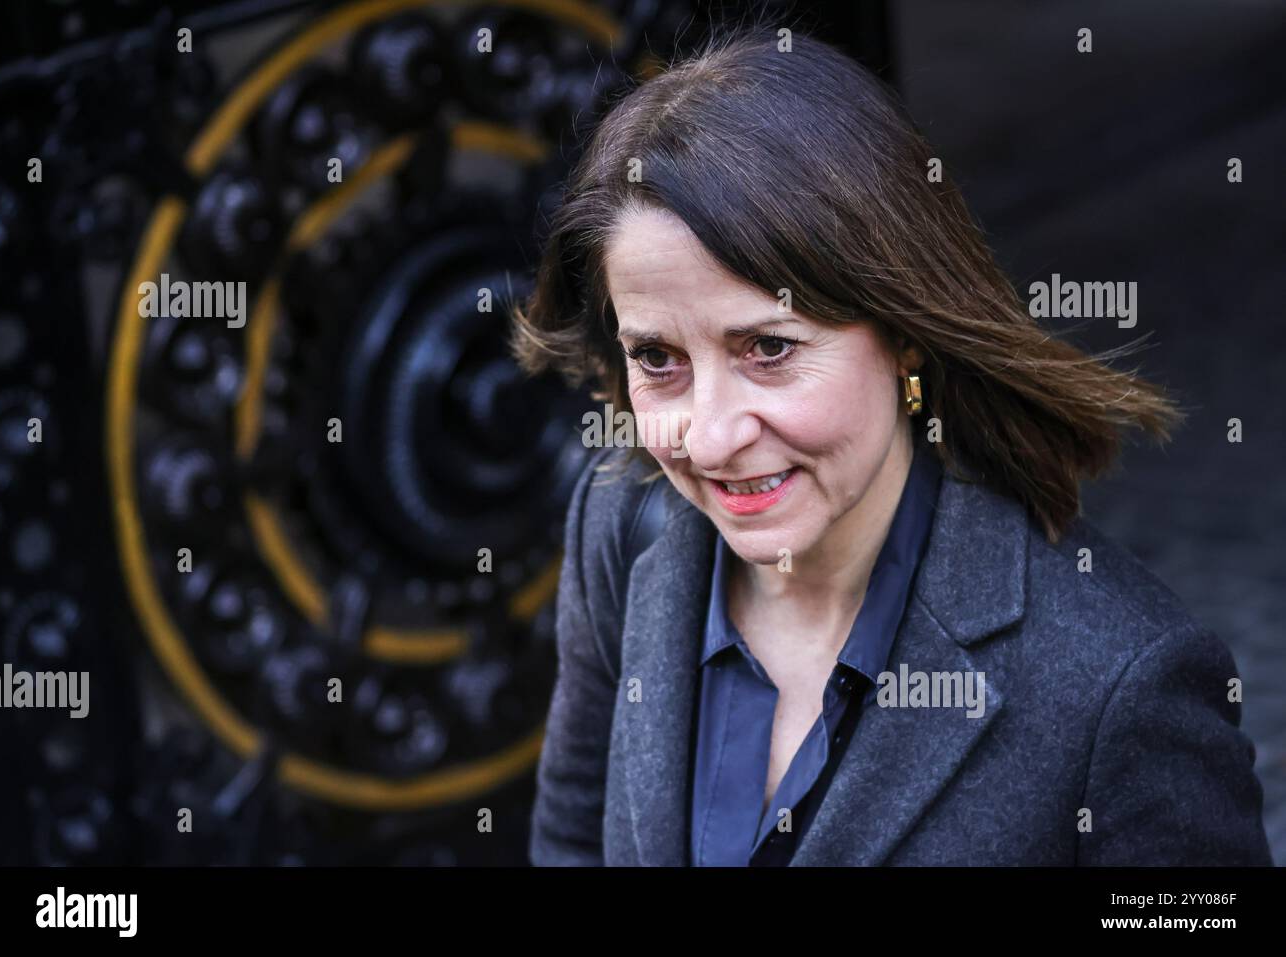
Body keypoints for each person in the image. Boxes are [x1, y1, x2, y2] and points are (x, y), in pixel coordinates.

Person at [511, 22, 1272, 866]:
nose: (713, 437)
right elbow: (573, 842)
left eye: (770, 347)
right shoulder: (622, 524)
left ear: (905, 333)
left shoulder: (1122, 685)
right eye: (658, 357)